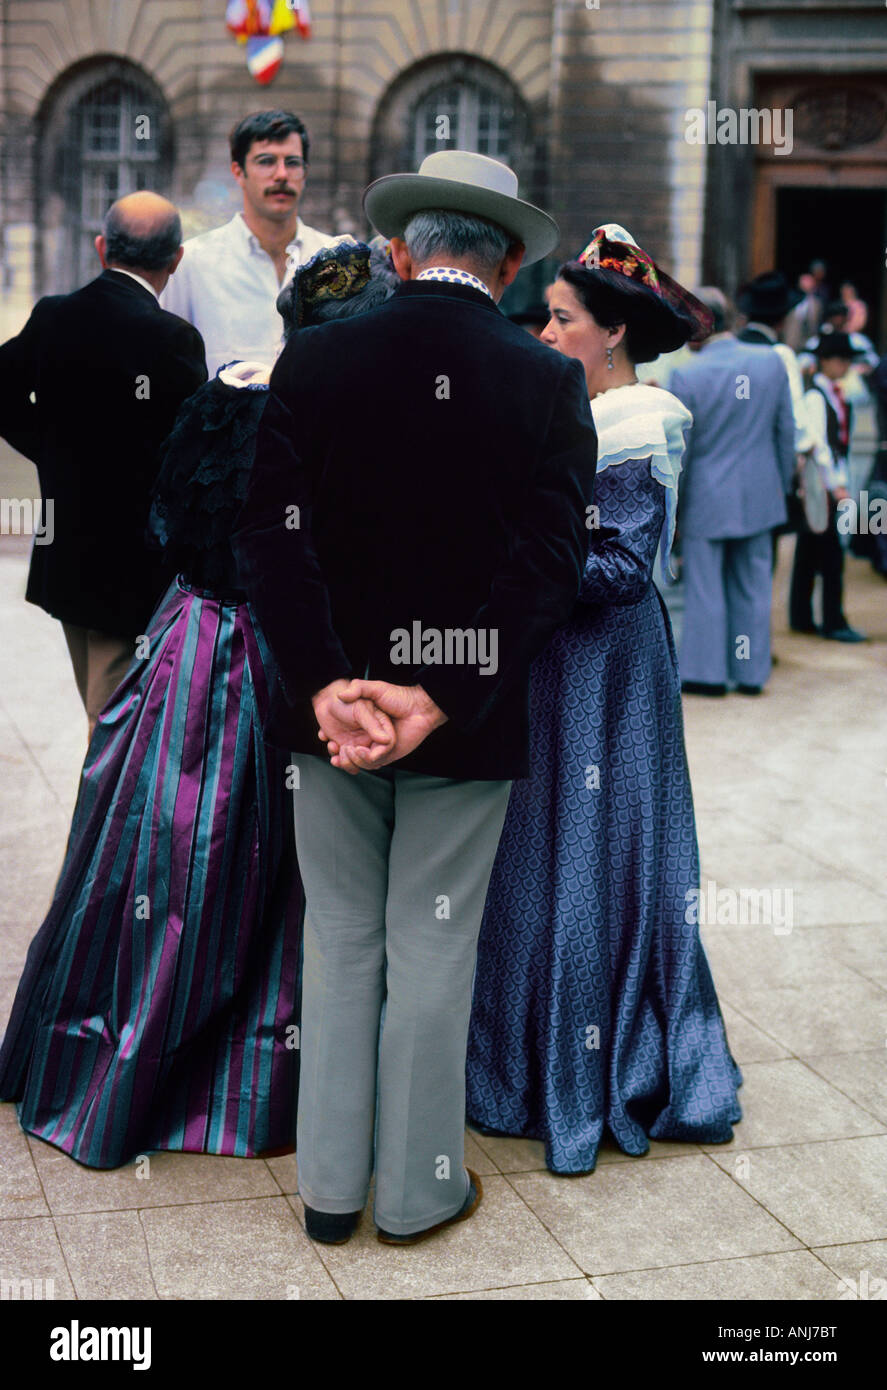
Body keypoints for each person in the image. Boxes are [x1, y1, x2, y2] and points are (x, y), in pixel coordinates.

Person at [232, 149, 598, 1245]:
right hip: (464, 716)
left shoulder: (314, 360)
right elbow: (547, 566)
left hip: (329, 714)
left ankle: (330, 1191)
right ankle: (418, 1189)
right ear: (514, 262)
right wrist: (435, 694)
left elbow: (269, 542)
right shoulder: (546, 380)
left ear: (399, 251)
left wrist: (331, 683)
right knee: (432, 945)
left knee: (339, 939)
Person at [0, 243, 383, 1169]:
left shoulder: (226, 388)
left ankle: (93, 1044)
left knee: (149, 846)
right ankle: (224, 1073)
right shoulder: (325, 412)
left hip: (183, 638)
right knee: (248, 854)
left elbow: (166, 517)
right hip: (263, 652)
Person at [465, 224, 740, 1174]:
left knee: (595, 854)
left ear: (613, 332)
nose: (543, 332)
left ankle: (596, 1066)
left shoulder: (638, 421)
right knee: (539, 849)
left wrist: (506, 543)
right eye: (544, 315)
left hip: (604, 667)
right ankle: (521, 1059)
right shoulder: (571, 407)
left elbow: (621, 571)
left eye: (562, 318)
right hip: (552, 657)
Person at [0, 192, 207, 735]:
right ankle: (101, 822)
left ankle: (100, 818)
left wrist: (53, 453)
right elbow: (187, 456)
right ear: (176, 259)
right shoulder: (173, 338)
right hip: (134, 570)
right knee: (116, 726)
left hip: (66, 556)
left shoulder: (53, 315)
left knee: (100, 708)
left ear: (100, 248)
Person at [671, 288, 796, 694]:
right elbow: (784, 435)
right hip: (760, 490)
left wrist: (675, 507)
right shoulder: (770, 363)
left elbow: (683, 453)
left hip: (708, 495)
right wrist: (780, 486)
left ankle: (708, 674)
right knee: (754, 587)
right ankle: (749, 672)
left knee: (705, 589)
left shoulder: (687, 374)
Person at [161, 110, 344, 376]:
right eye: (266, 161)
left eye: (292, 162)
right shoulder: (193, 262)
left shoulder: (333, 258)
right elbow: (168, 362)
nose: (281, 174)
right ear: (238, 172)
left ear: (305, 173)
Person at [789, 332, 867, 642]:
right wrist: (837, 485)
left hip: (823, 484)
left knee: (810, 551)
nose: (845, 365)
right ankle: (833, 620)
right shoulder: (816, 396)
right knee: (831, 556)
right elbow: (819, 445)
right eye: (840, 359)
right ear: (825, 361)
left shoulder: (833, 393)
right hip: (821, 485)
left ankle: (803, 616)